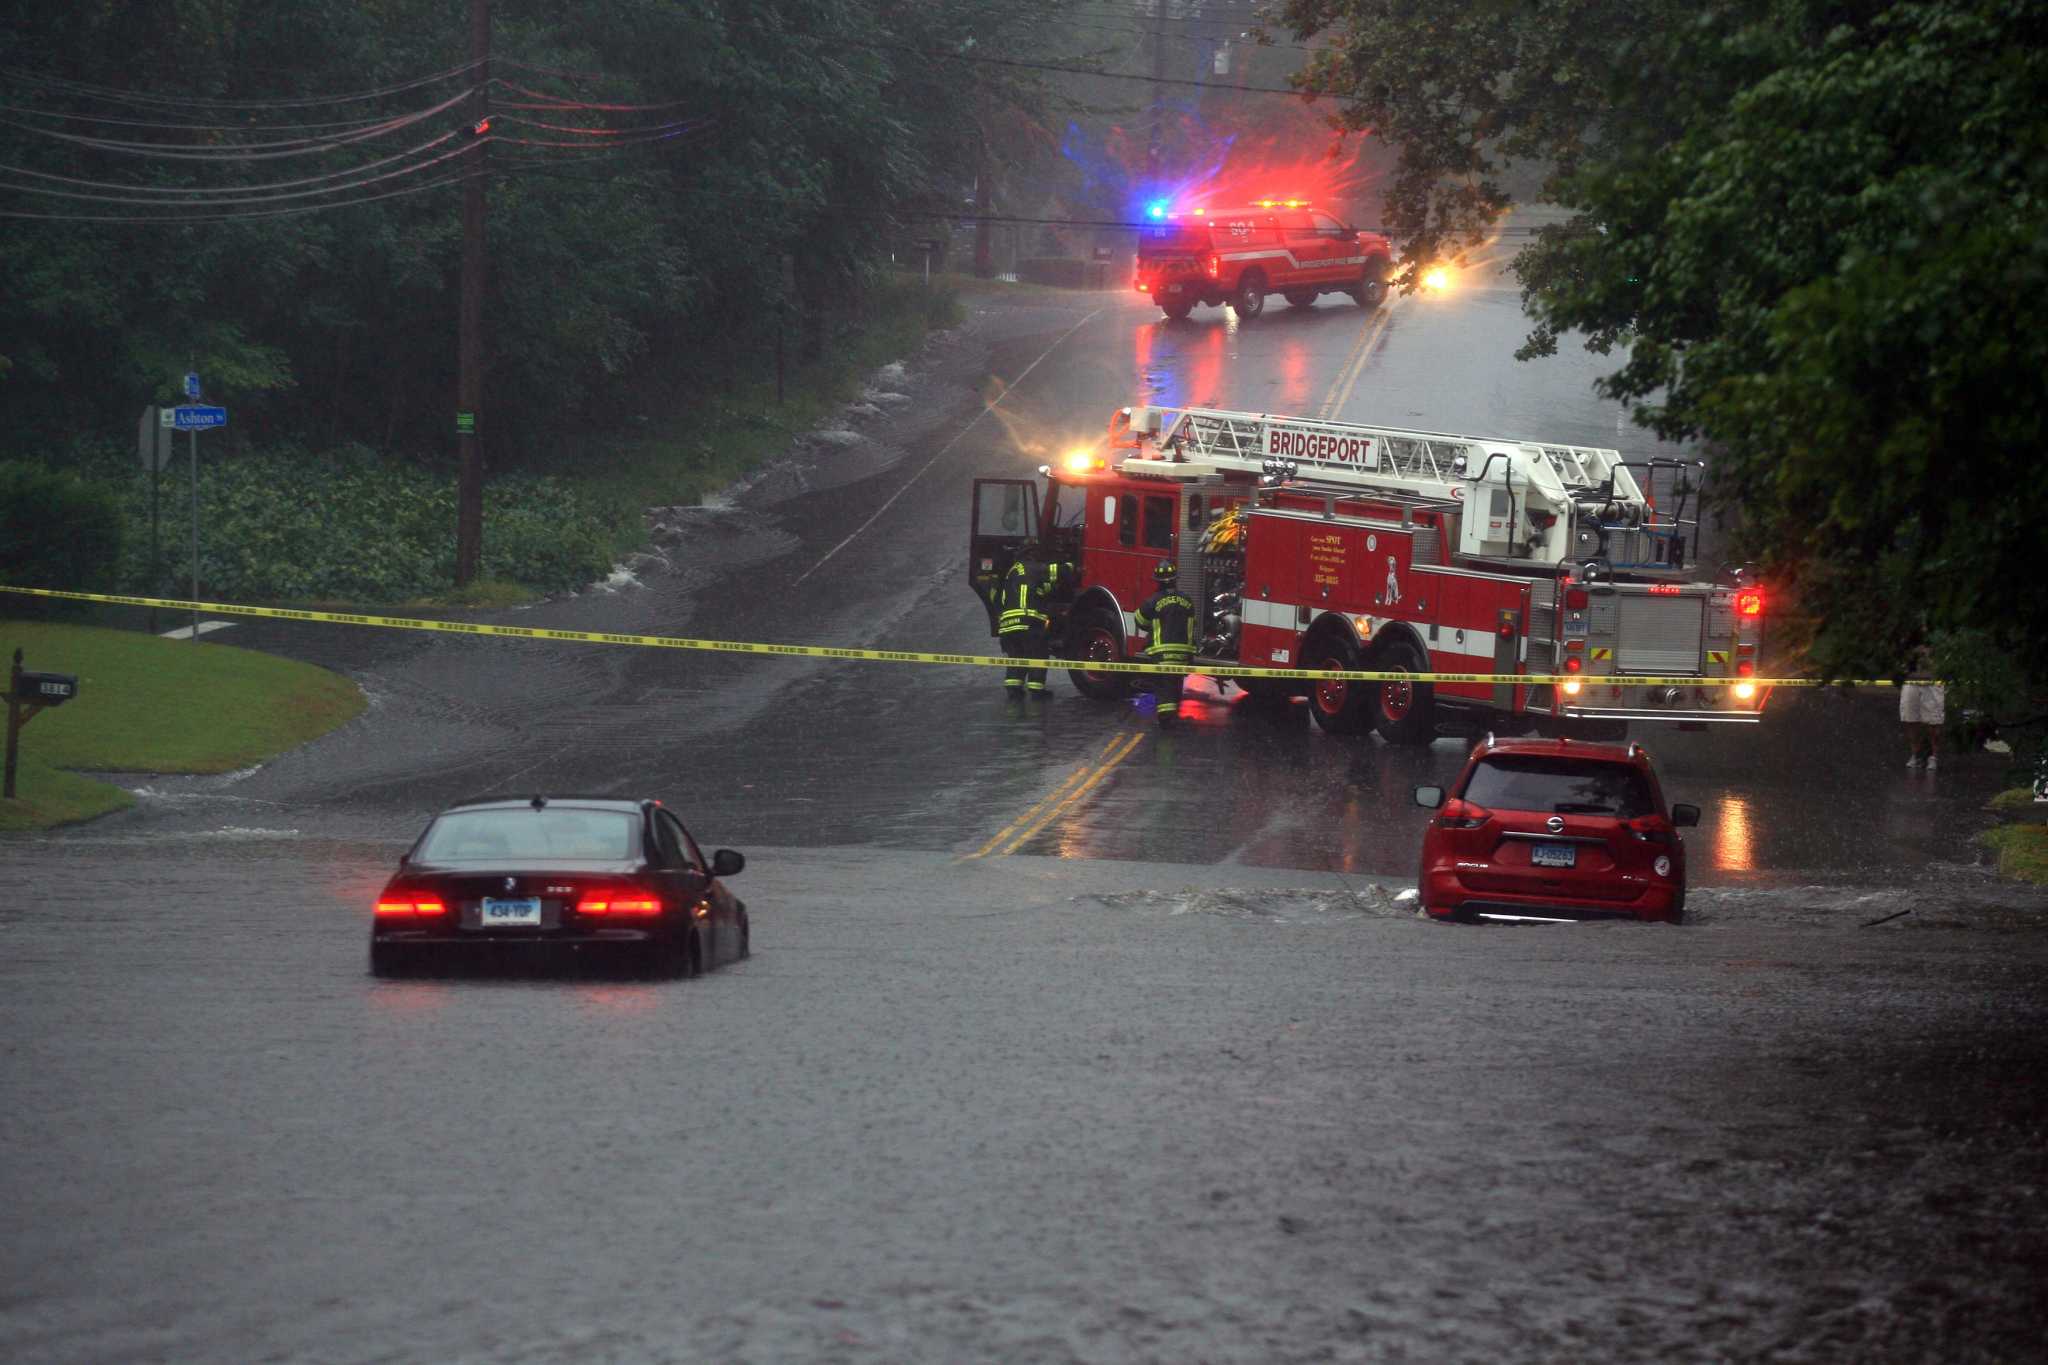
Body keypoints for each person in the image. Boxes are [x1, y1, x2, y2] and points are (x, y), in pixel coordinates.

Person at [1135, 559, 1198, 726]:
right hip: (1184, 653)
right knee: (1176, 683)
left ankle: (1165, 719)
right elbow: (1192, 625)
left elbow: (1139, 621)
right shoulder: (1188, 601)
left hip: (1161, 654)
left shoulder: (1153, 601)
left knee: (1163, 686)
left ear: (1157, 582)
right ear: (1175, 579)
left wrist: (1154, 622)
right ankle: (1173, 713)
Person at [995, 556, 1054, 697]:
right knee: (1038, 653)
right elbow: (1056, 571)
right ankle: (1036, 689)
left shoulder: (1012, 572)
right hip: (1027, 623)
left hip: (1007, 626)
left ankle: (1013, 689)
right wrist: (1071, 566)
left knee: (1016, 655)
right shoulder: (1033, 566)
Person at [1901, 646, 1945, 770]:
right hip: (1911, 681)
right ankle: (1916, 754)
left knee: (1934, 722)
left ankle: (1933, 757)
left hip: (1933, 682)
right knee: (1910, 720)